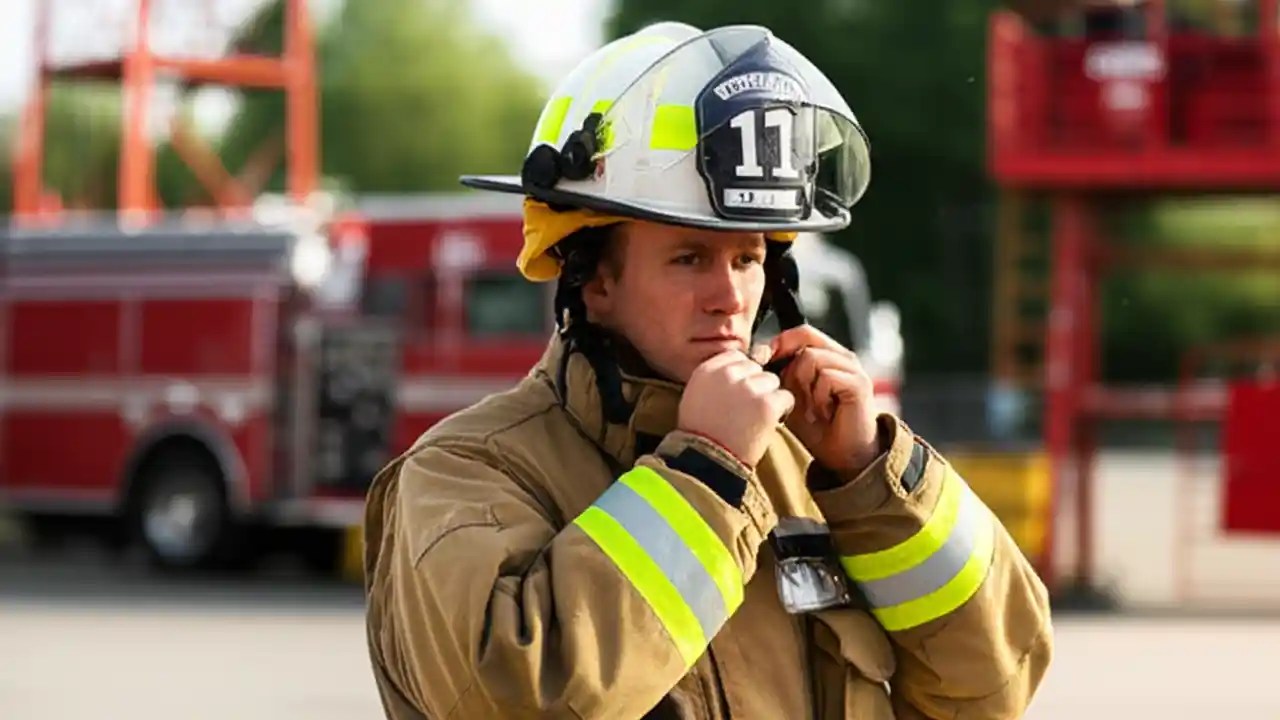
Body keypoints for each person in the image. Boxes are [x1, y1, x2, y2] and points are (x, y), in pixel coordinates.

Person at [362, 22, 1053, 719]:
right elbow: (515, 700)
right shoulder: (467, 472)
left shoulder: (814, 468)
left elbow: (993, 688)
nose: (730, 296)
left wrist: (871, 476)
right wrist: (707, 475)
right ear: (595, 280)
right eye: (689, 258)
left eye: (748, 259)